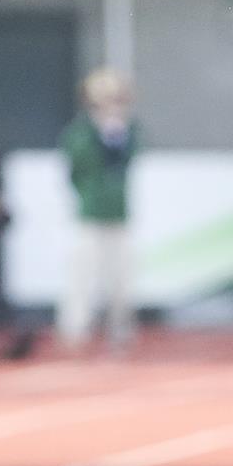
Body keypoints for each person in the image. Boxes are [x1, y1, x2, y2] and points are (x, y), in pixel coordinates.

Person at [58, 68, 137, 350]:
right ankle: (75, 328)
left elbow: (129, 157)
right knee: (81, 273)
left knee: (121, 276)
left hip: (118, 212)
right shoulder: (81, 131)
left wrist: (116, 136)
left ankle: (120, 327)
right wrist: (99, 135)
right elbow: (77, 164)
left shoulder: (128, 130)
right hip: (90, 213)